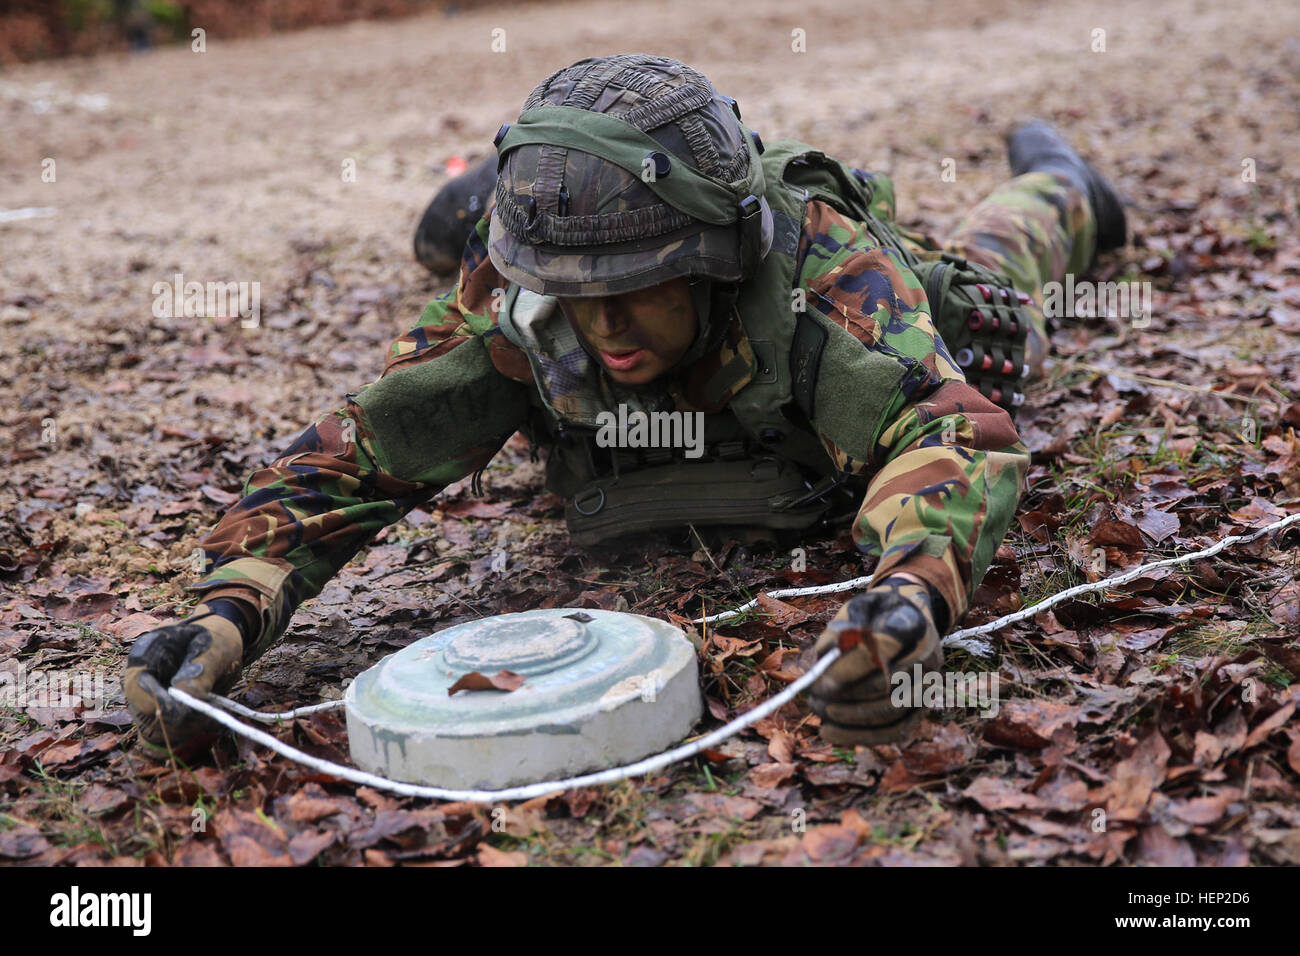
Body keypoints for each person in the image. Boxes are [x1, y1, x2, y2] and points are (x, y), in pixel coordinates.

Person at [124, 53, 1125, 755]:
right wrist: (227, 613)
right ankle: (480, 201)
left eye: (637, 285)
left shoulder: (820, 270)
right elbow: (357, 452)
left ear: (715, 260)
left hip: (910, 285)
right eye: (575, 291)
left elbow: (942, 431)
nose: (601, 327)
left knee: (995, 300)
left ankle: (1061, 184)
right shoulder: (527, 304)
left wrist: (908, 594)